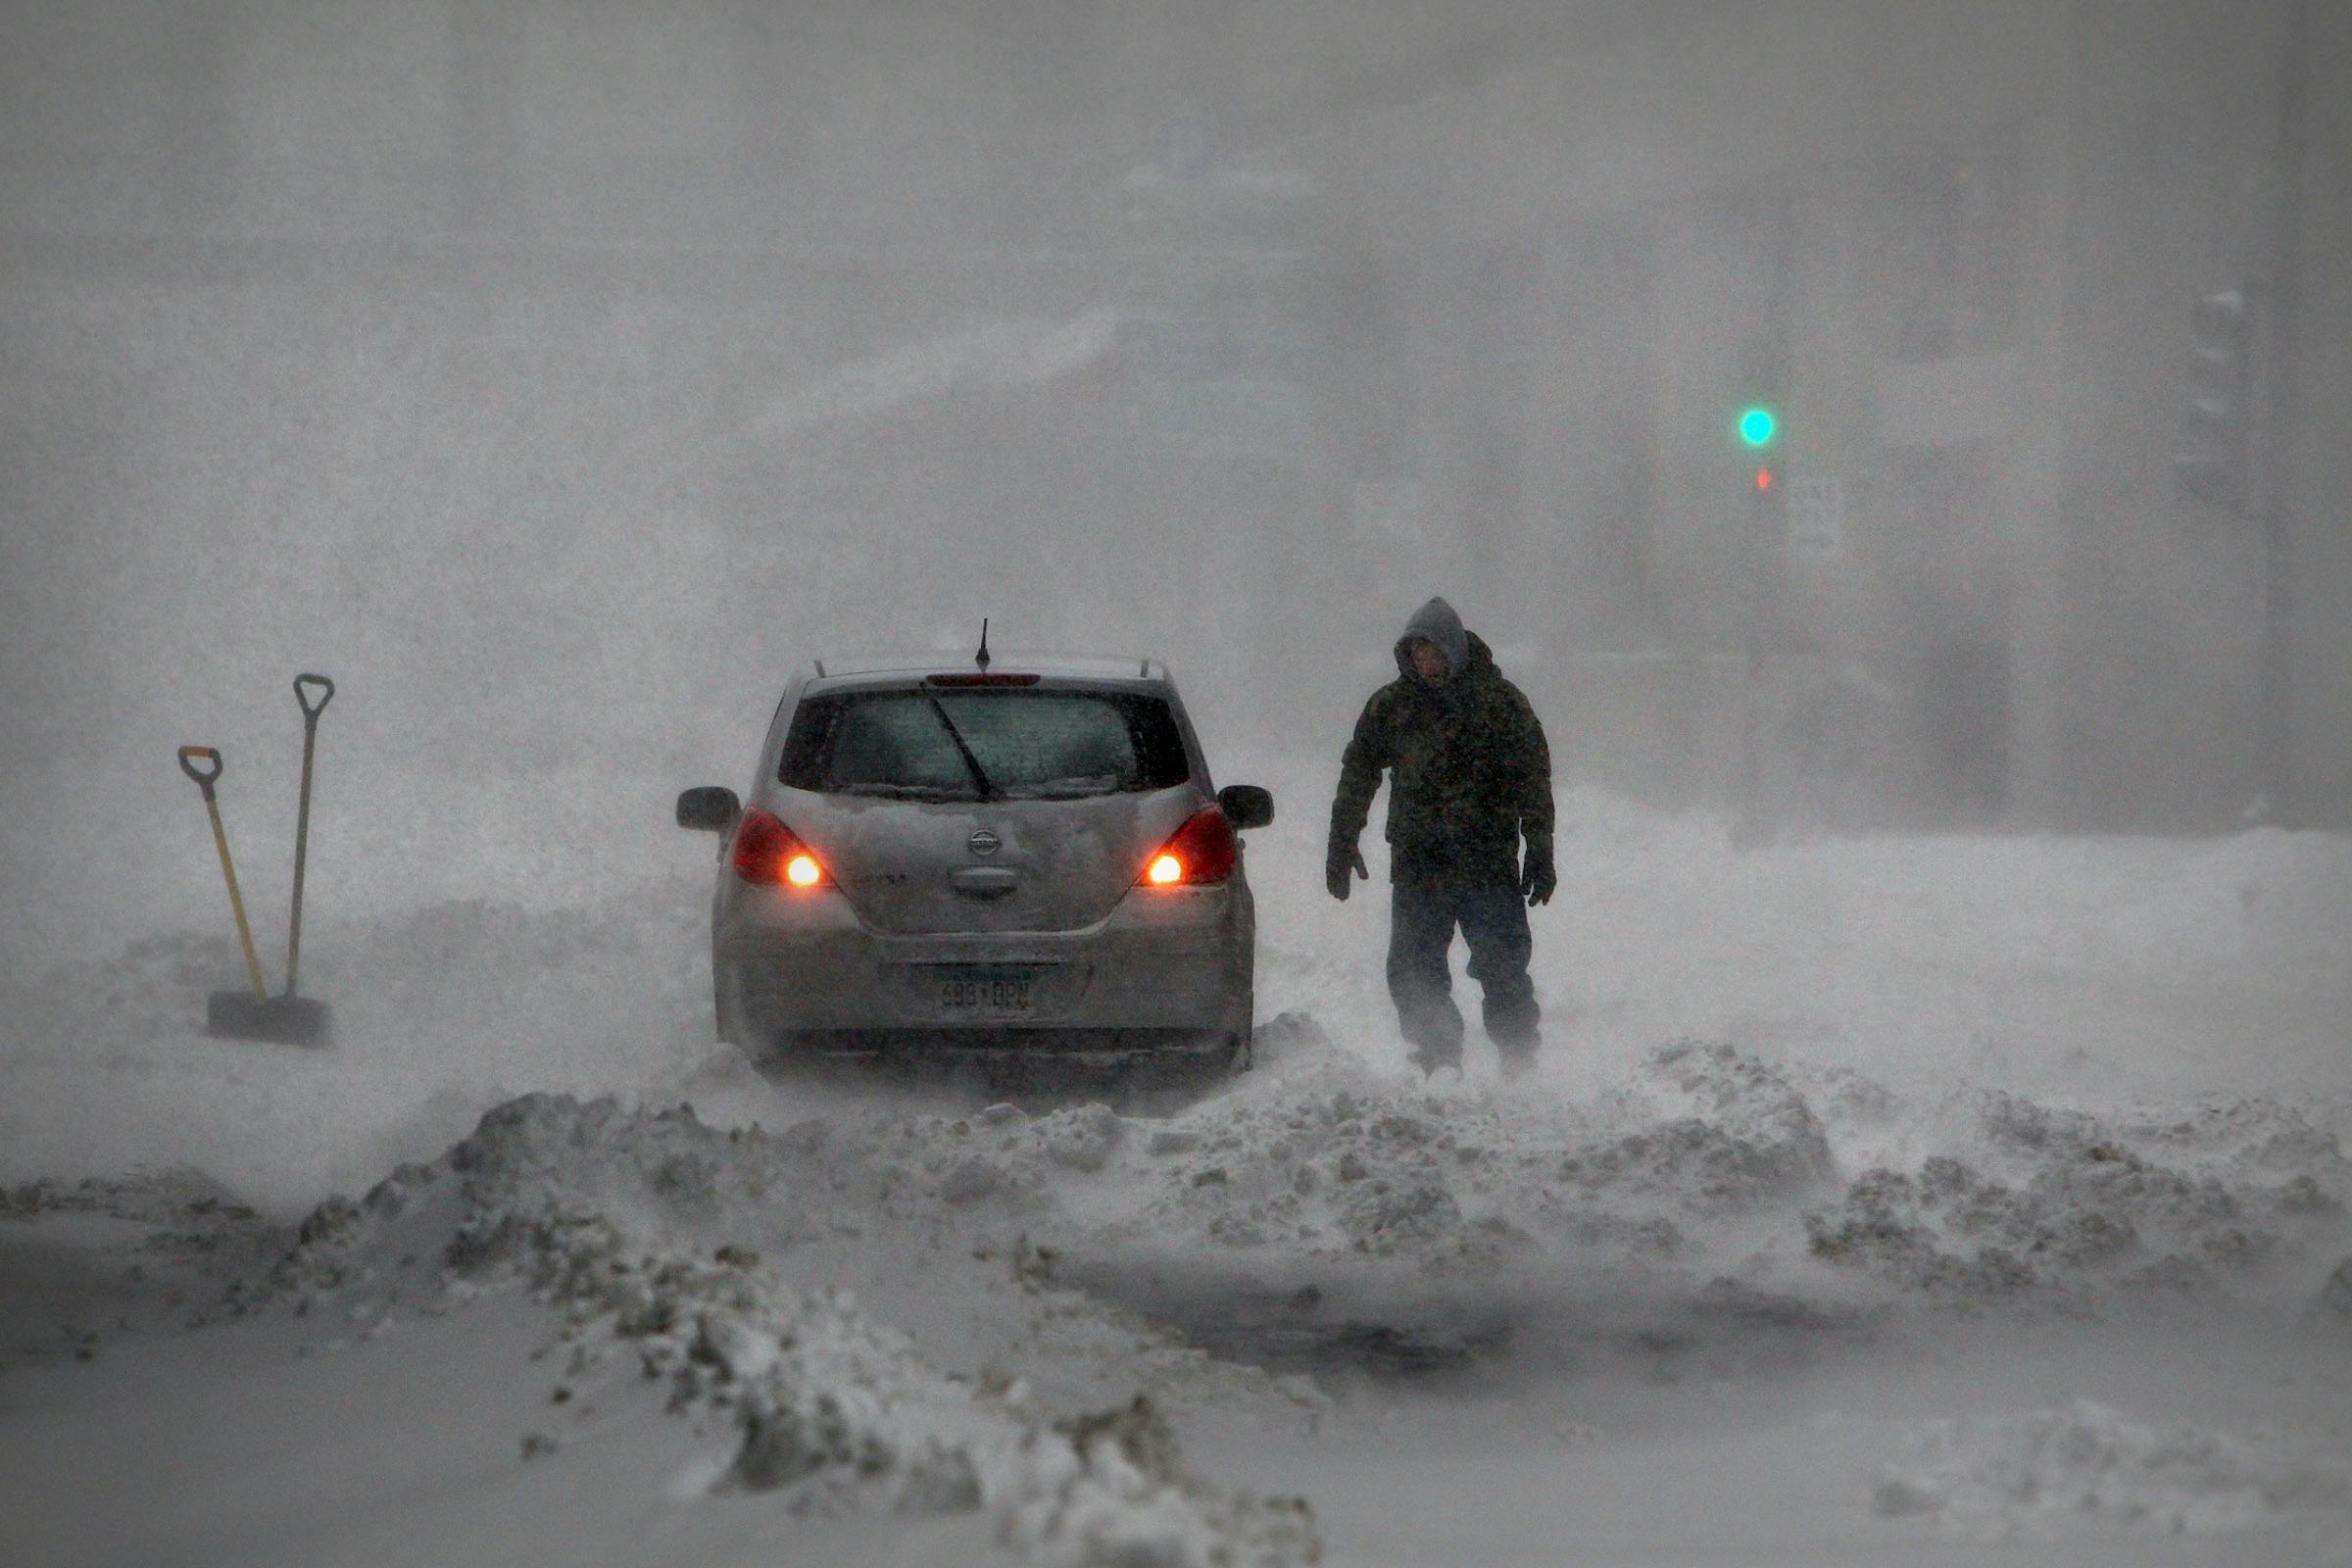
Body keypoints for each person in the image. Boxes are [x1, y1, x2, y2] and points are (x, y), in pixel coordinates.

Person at [1326, 597, 1555, 1077]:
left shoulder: (1500, 703)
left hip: (1486, 863)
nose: (1427, 663)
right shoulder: (1392, 707)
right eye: (1418, 655)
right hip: (1419, 866)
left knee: (1504, 968)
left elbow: (1532, 777)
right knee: (1412, 970)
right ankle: (1438, 1057)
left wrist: (1540, 848)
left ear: (1454, 651)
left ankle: (1519, 1060)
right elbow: (1360, 769)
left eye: (1434, 653)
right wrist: (1343, 838)